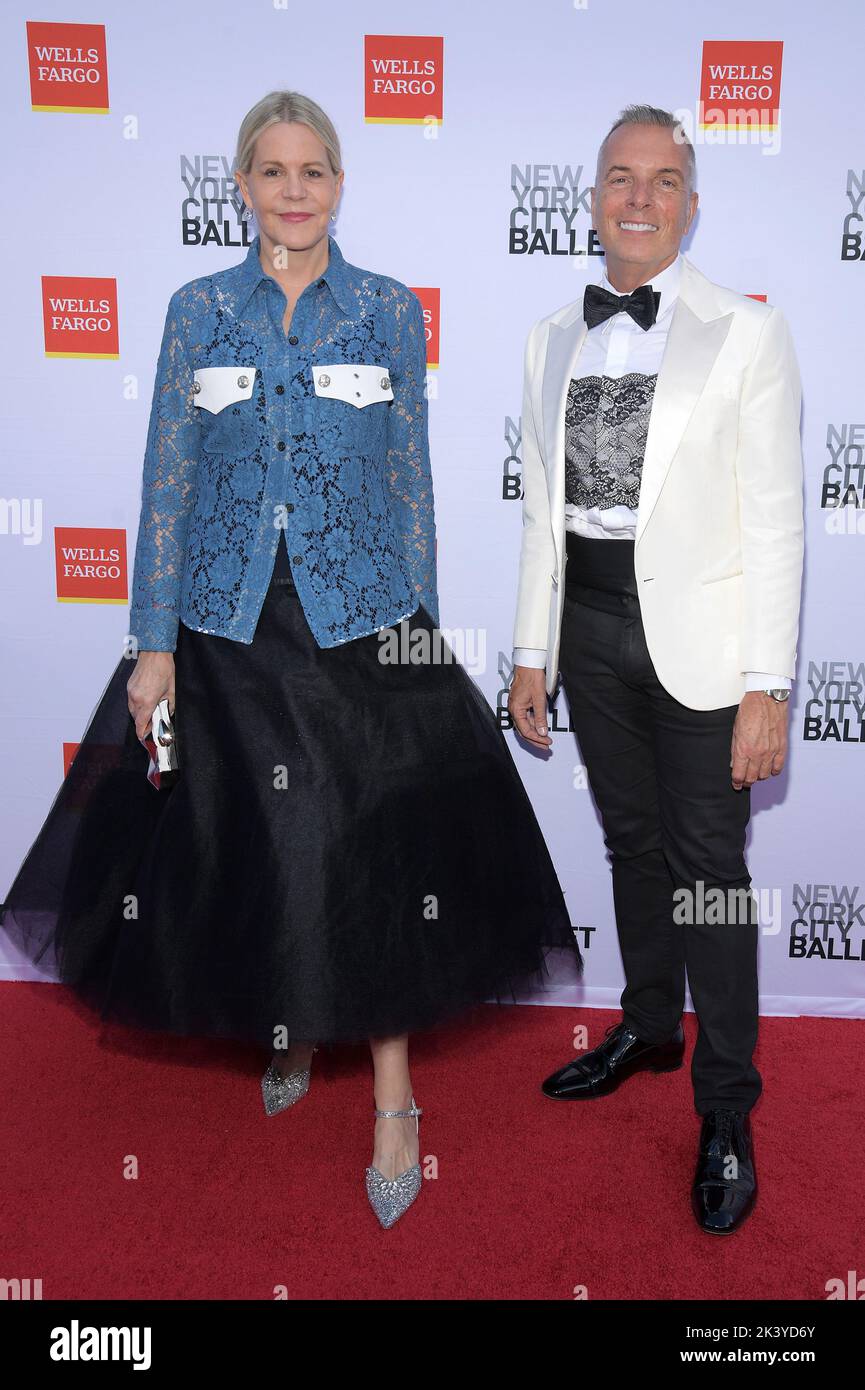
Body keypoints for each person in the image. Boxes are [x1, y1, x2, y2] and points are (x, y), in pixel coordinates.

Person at [1, 90, 581, 1231]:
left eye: (314, 168)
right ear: (243, 186)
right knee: (261, 847)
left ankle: (395, 1098)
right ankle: (290, 1023)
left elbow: (409, 480)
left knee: (369, 854)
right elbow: (165, 481)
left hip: (359, 619)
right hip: (223, 624)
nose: (296, 188)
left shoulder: (384, 314)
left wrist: (417, 625)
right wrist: (152, 641)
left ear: (339, 183)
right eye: (273, 170)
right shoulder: (195, 311)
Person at [508, 104, 804, 1235]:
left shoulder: (744, 334)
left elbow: (774, 522)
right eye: (619, 177)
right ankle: (646, 1023)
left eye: (663, 179)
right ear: (591, 197)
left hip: (702, 645)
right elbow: (542, 509)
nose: (638, 197)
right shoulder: (549, 338)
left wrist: (767, 684)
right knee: (629, 841)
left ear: (689, 201)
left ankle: (725, 1106)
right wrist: (530, 651)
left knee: (707, 868)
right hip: (586, 620)